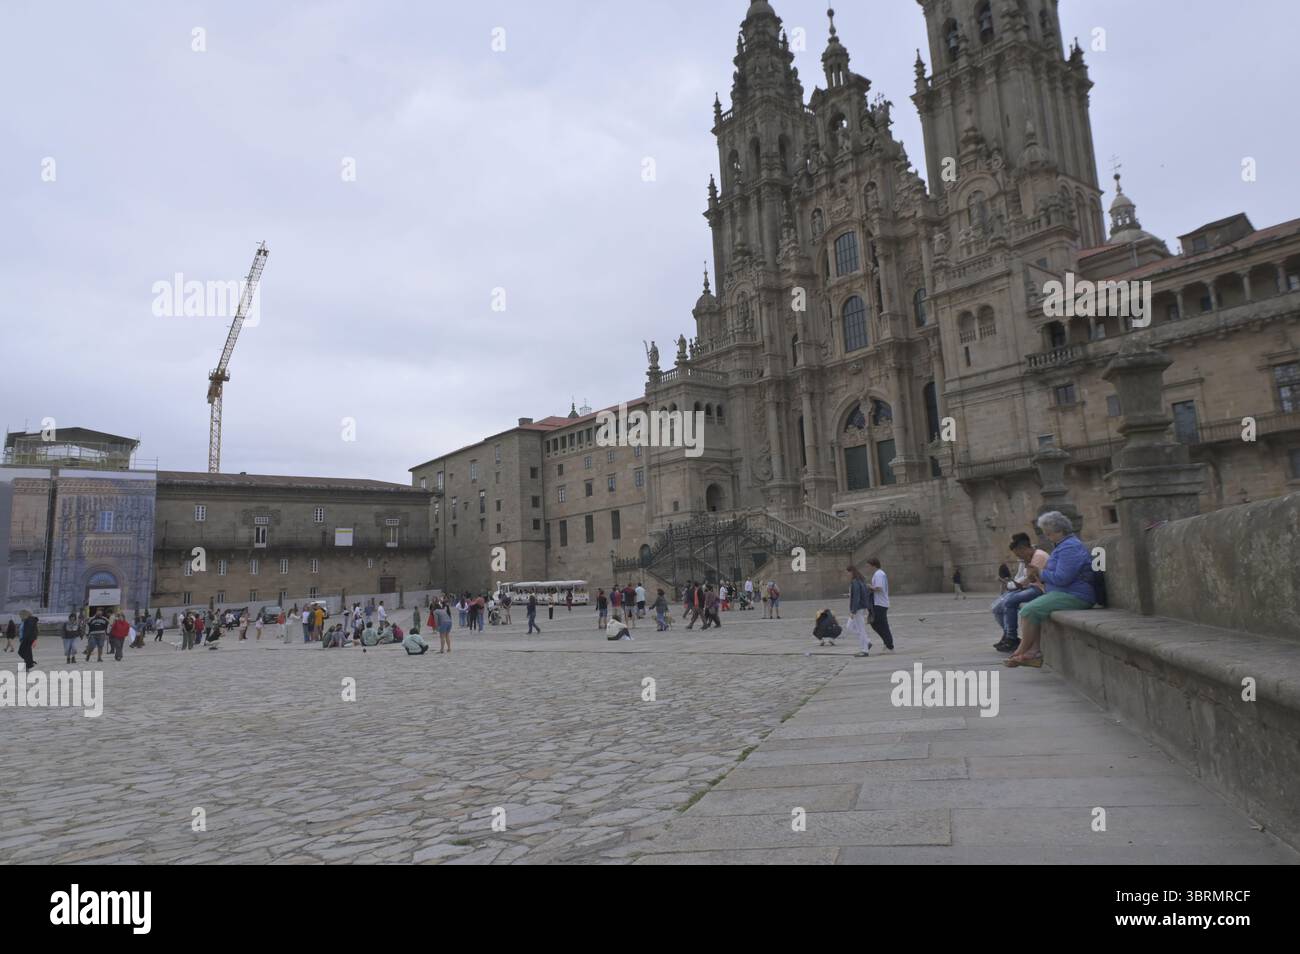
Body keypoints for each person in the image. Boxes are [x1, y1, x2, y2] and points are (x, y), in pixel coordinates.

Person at [1007, 512, 1097, 669]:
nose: (1048, 537)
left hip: (1076, 595)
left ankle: (1021, 651)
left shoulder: (1070, 547)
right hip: (1064, 592)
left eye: (1049, 533)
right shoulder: (1063, 546)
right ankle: (1033, 652)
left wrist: (1040, 573)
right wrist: (1038, 574)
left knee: (1029, 610)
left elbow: (1063, 578)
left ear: (1060, 531)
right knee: (1031, 610)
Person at [993, 533, 1049, 653]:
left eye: (1020, 555)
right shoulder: (1031, 557)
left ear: (1023, 549)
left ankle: (1012, 638)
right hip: (1032, 587)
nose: (1021, 558)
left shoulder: (1038, 556)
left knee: (1010, 601)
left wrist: (1014, 585)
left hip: (1040, 589)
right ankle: (1008, 635)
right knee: (1001, 604)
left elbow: (1030, 579)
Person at [865, 558, 895, 651]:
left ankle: (889, 644)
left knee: (881, 624)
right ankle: (887, 642)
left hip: (880, 603)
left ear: (873, 565)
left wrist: (870, 587)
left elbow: (879, 588)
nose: (867, 567)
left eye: (868, 565)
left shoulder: (879, 574)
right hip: (878, 602)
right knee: (875, 623)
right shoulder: (878, 574)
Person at [847, 565, 873, 657]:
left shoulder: (855, 582)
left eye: (848, 573)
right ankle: (867, 641)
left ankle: (865, 650)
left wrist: (853, 611)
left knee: (861, 629)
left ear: (851, 572)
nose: (848, 575)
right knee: (849, 626)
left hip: (857, 608)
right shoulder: (860, 580)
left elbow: (857, 597)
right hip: (860, 607)